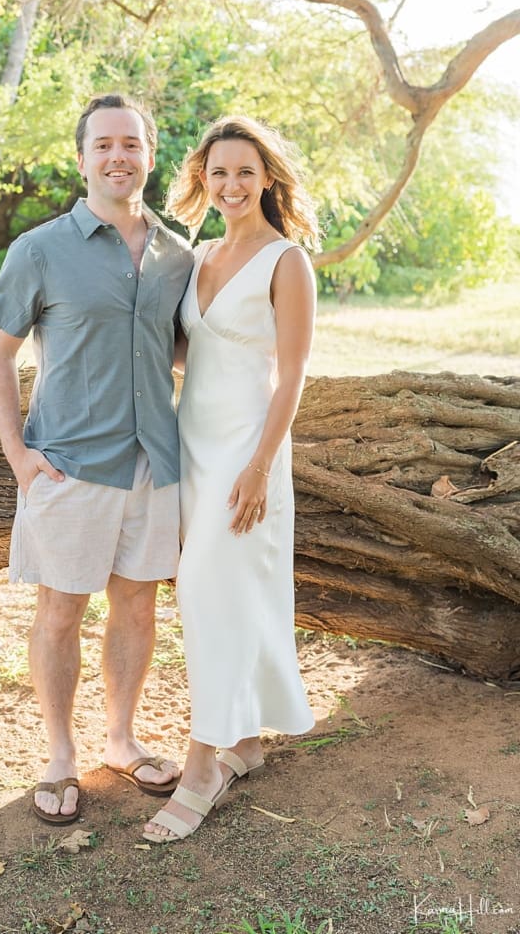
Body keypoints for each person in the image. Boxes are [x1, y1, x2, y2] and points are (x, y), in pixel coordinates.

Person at [0, 93, 193, 825]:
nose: (117, 157)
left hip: (153, 464)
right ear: (82, 159)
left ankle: (121, 740)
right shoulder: (39, 249)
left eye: (130, 144)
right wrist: (18, 457)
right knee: (60, 610)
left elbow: (188, 353)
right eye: (103, 145)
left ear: (149, 155)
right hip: (68, 465)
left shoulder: (178, 254)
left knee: (137, 604)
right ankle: (61, 755)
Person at [143, 115, 320, 843]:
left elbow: (293, 374)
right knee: (212, 596)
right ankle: (245, 739)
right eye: (219, 171)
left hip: (249, 452)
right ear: (202, 179)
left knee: (215, 594)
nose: (232, 183)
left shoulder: (287, 261)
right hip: (192, 446)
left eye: (246, 171)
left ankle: (201, 767)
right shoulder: (202, 253)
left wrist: (256, 469)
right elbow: (194, 355)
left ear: (268, 179)